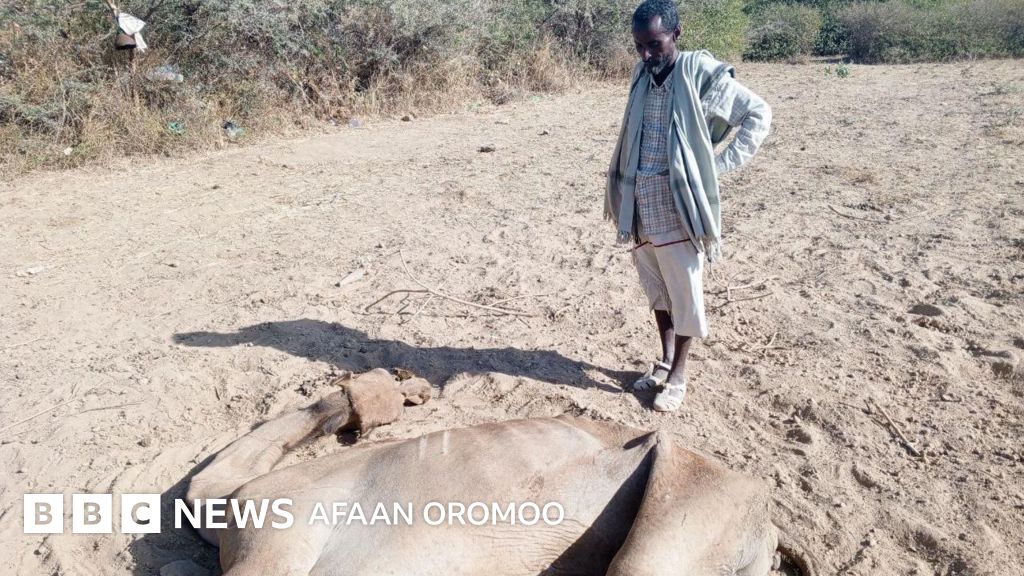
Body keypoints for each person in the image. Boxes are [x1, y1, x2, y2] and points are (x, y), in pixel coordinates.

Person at [605, 0, 772, 411]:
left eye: (655, 44)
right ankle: (663, 361)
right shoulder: (641, 73)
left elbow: (758, 113)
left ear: (675, 35)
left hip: (679, 205)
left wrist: (712, 168)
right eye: (639, 46)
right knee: (657, 287)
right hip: (639, 203)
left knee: (684, 292)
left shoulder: (699, 73)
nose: (646, 55)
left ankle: (679, 374)